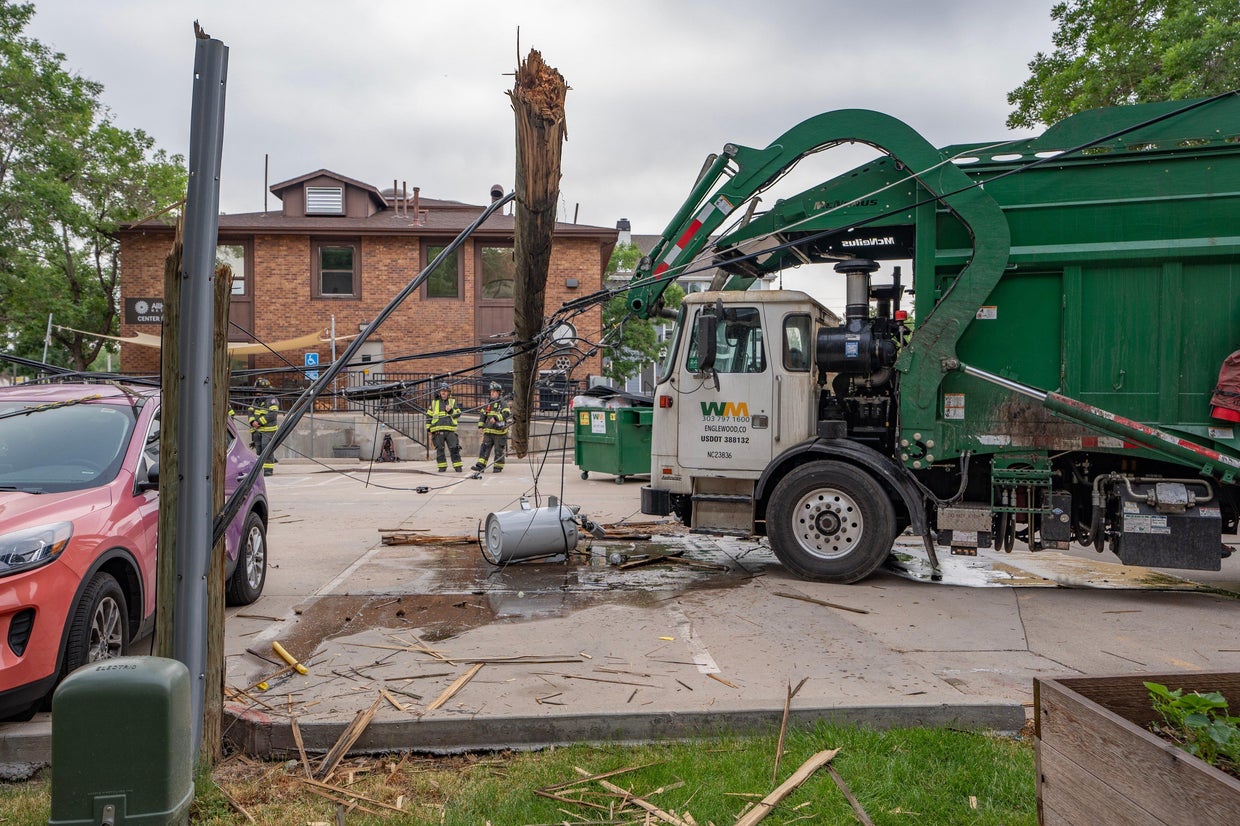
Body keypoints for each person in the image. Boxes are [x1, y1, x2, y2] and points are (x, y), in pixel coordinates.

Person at [471, 381, 510, 476]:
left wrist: (496, 418)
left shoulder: (503, 403)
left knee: (498, 450)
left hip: (499, 432)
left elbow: (507, 413)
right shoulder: (488, 403)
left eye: (494, 391)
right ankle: (480, 466)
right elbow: (483, 415)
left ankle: (498, 467)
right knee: (484, 448)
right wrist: (480, 426)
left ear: (499, 392)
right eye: (491, 391)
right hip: (488, 432)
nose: (491, 393)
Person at [427, 382, 463, 472]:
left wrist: (451, 411)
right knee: (440, 449)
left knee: (454, 448)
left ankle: (458, 466)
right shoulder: (434, 402)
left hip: (450, 430)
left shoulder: (452, 402)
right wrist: (429, 429)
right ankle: (442, 467)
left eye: (445, 391)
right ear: (439, 392)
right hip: (437, 430)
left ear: (448, 392)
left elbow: (458, 414)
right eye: (442, 390)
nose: (443, 392)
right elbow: (429, 416)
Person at [247, 378, 279, 476]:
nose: (256, 391)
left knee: (266, 448)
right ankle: (260, 469)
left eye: (258, 389)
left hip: (268, 430)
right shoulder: (256, 400)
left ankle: (268, 470)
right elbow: (250, 411)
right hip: (257, 430)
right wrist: (252, 421)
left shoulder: (272, 400)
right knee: (259, 450)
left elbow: (273, 414)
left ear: (264, 389)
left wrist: (259, 422)